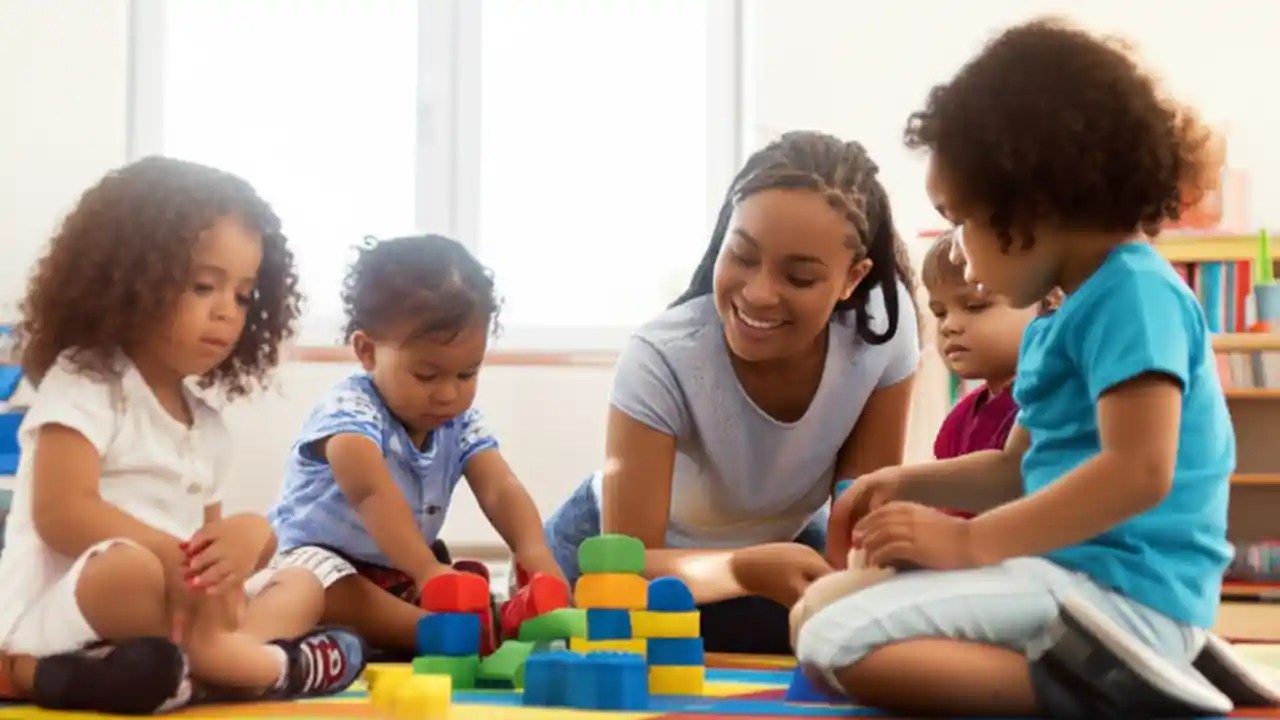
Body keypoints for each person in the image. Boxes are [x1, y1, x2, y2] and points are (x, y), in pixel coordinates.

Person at [804, 19, 1279, 717]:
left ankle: (1119, 693)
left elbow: (1138, 470)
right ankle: (1110, 676)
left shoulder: (1135, 294)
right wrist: (899, 480)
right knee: (823, 609)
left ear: (1034, 202)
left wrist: (966, 542)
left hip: (1119, 593)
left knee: (835, 642)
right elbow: (1018, 466)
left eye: (962, 219)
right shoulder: (1067, 310)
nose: (960, 253)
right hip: (1069, 581)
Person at [0, 157, 365, 715]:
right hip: (74, 604)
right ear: (128, 280)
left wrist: (250, 541)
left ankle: (185, 669)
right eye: (203, 286)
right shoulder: (90, 379)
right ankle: (263, 667)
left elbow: (209, 547)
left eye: (243, 296)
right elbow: (61, 512)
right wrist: (170, 557)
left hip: (170, 616)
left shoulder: (208, 426)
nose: (226, 312)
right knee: (130, 570)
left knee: (302, 578)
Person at [544, 130, 921, 654]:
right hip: (625, 562)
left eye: (800, 276)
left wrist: (851, 578)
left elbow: (856, 511)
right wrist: (742, 568)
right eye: (742, 256)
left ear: (852, 279)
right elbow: (624, 566)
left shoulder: (882, 327)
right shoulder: (663, 356)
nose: (760, 293)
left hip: (775, 553)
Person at [266, 235, 567, 656]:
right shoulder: (348, 411)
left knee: (456, 579)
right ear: (367, 352)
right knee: (326, 587)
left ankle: (450, 627)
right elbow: (370, 491)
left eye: (467, 375)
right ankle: (448, 632)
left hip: (396, 571)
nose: (448, 394)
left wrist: (533, 549)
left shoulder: (458, 422)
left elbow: (499, 487)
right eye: (427, 376)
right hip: (315, 564)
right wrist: (427, 570)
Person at [925, 230, 1044, 462]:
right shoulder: (958, 421)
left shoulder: (1054, 403)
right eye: (940, 313)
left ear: (1048, 301)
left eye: (974, 306)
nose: (948, 326)